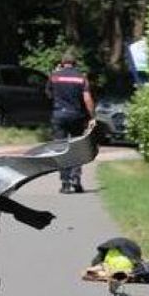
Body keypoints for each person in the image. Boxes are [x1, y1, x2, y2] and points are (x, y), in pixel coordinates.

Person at [46, 50, 94, 193]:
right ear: (75, 63)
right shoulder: (81, 78)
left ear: (62, 63)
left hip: (59, 115)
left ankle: (65, 183)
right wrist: (92, 116)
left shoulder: (54, 76)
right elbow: (87, 99)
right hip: (76, 116)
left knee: (61, 149)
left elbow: (48, 94)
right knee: (76, 148)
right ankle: (76, 178)